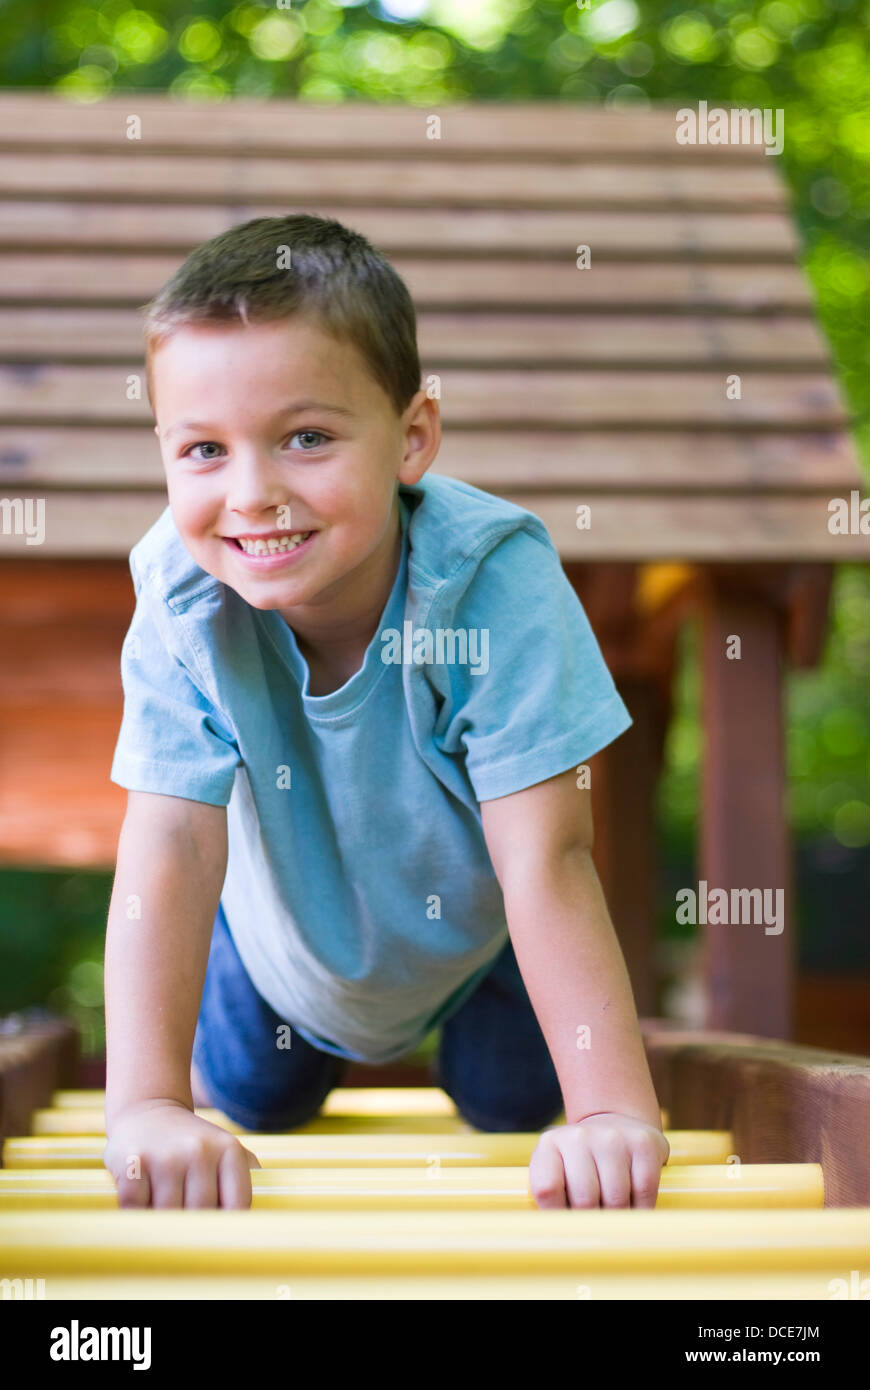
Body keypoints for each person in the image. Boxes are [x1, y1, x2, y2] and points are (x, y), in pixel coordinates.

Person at [103, 213, 669, 1211]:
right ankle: (233, 1059)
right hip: (280, 948)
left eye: (307, 436)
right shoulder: (181, 601)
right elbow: (172, 848)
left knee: (516, 1105)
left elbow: (545, 856)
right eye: (201, 449)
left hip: (481, 940)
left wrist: (611, 1110)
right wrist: (145, 1103)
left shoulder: (490, 584)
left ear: (413, 437)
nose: (254, 493)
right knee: (254, 1098)